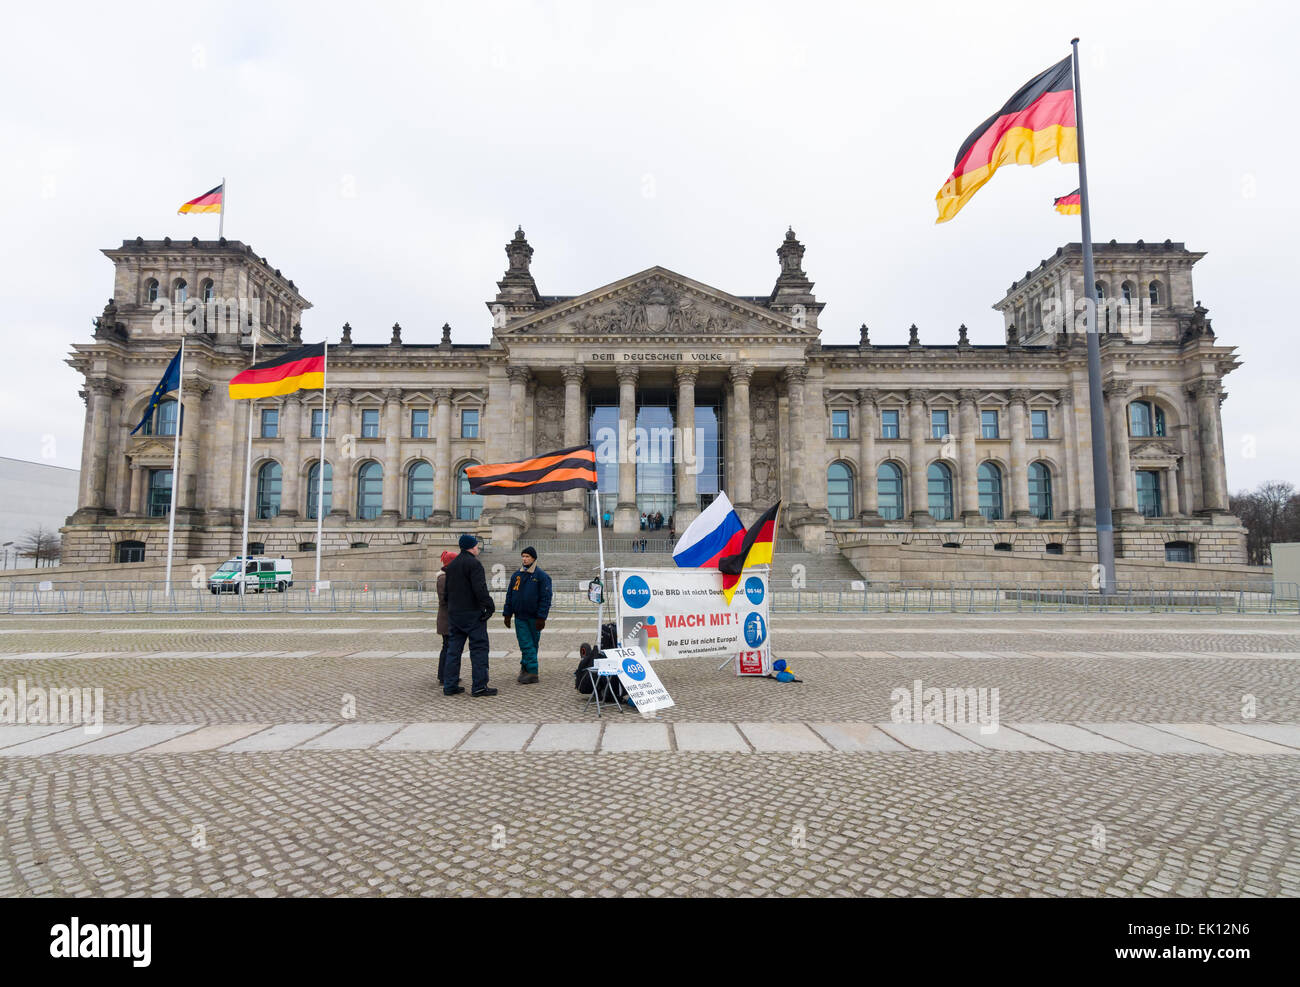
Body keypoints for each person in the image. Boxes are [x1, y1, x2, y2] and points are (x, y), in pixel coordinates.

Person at [442, 533, 496, 696]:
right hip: (472, 614)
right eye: (476, 545)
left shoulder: (451, 566)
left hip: (455, 614)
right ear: (472, 547)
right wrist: (490, 606)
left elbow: (446, 593)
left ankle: (450, 685)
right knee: (479, 648)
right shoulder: (474, 564)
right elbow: (479, 589)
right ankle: (479, 685)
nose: (478, 547)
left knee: (453, 650)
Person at [503, 546, 552, 685]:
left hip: (534, 617)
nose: (524, 559)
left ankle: (529, 670)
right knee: (526, 644)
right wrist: (507, 614)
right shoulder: (516, 575)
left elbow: (545, 598)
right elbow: (510, 595)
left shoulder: (541, 576)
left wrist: (542, 617)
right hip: (520, 616)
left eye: (527, 556)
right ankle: (529, 670)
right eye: (523, 556)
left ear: (533, 558)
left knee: (532, 644)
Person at [435, 550, 455, 685]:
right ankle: (443, 675)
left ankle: (447, 674)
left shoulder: (449, 576)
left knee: (449, 647)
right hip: (446, 619)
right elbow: (444, 599)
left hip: (448, 618)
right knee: (447, 647)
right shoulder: (443, 578)